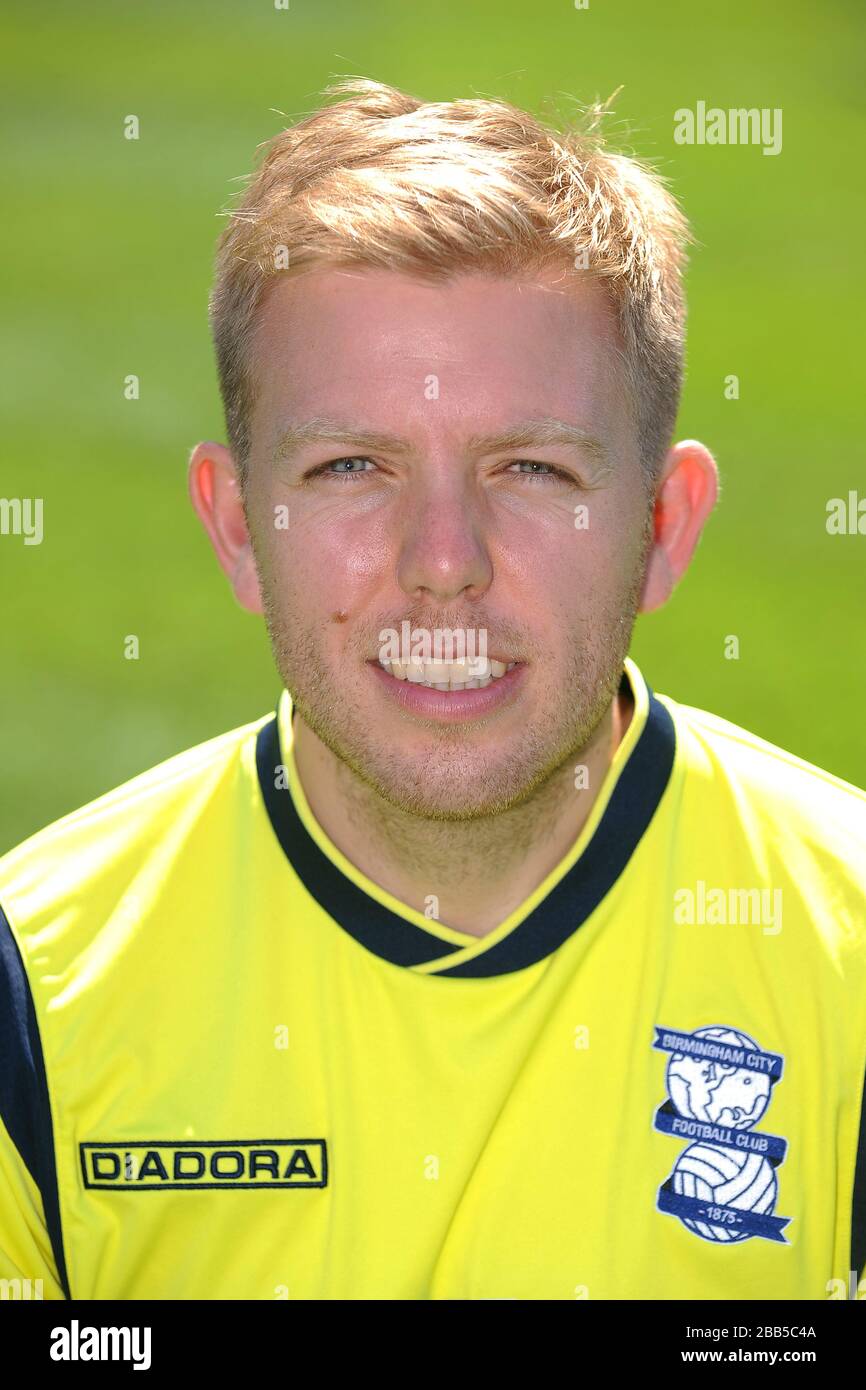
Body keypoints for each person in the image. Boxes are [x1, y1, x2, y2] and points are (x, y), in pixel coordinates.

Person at [2, 78, 864, 1301]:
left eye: (529, 466)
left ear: (663, 525)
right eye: (352, 465)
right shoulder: (31, 988)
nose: (443, 562)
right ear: (239, 524)